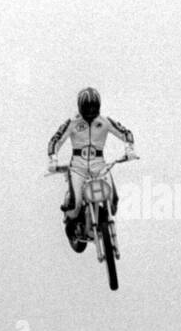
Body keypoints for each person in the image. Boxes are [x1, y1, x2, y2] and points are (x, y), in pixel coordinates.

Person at [48, 87, 135, 252]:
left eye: (93, 107)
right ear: (80, 106)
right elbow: (56, 139)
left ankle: (103, 224)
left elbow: (125, 132)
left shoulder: (104, 121)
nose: (90, 111)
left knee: (113, 200)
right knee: (76, 204)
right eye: (87, 107)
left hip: (100, 166)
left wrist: (129, 148)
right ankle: (71, 223)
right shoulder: (72, 122)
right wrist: (53, 158)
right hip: (78, 167)